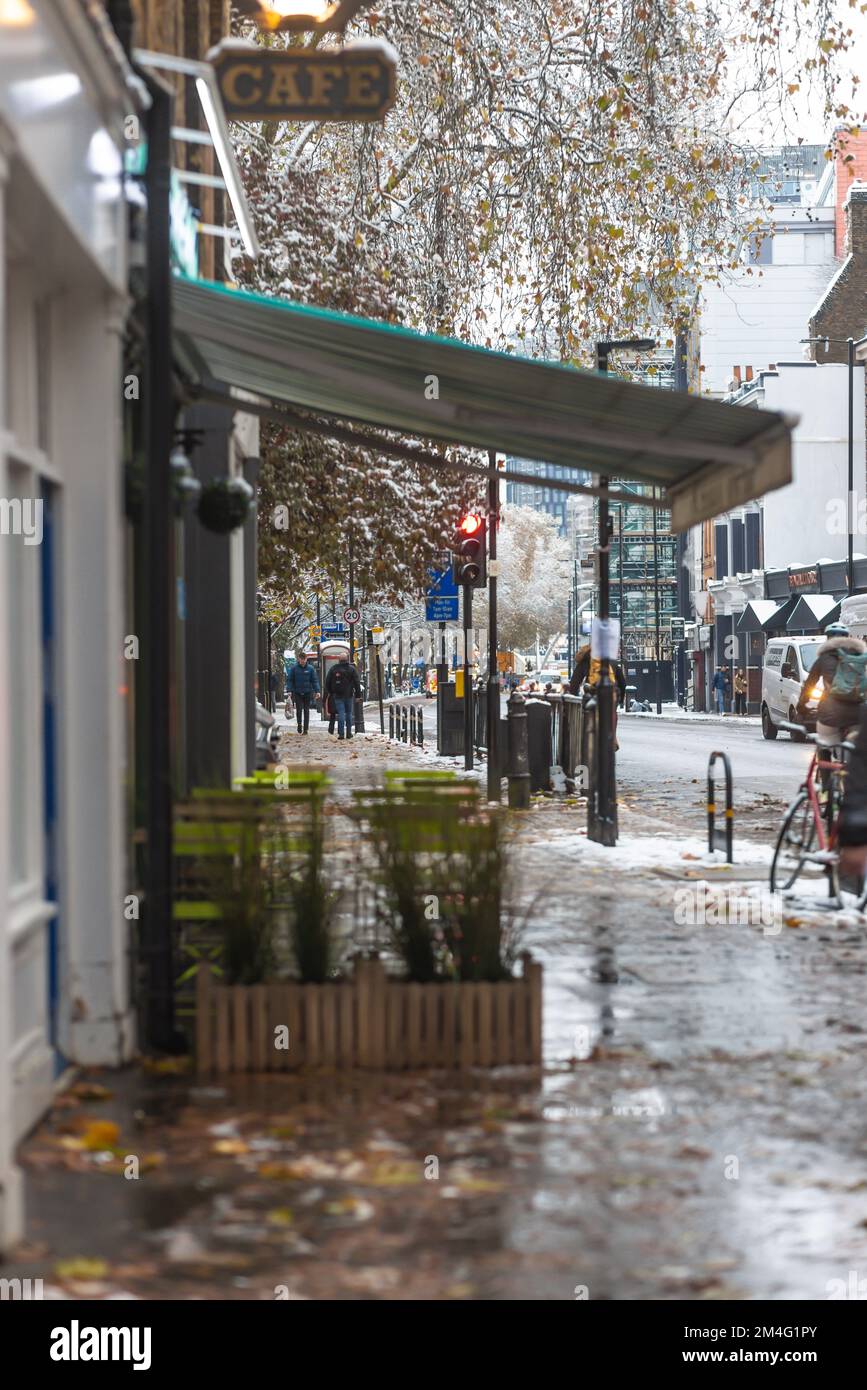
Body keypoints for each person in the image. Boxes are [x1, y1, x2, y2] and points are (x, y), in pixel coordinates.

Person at [796, 621, 867, 746]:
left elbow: (809, 685)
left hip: (830, 712)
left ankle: (825, 762)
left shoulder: (824, 658)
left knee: (826, 742)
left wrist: (801, 708)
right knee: (858, 748)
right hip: (858, 713)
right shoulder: (860, 658)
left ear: (828, 639)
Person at [325, 651, 362, 740]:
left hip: (337, 695)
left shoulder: (333, 669)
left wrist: (331, 692)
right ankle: (349, 733)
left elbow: (327, 682)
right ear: (347, 659)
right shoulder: (352, 669)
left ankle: (341, 734)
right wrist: (358, 695)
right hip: (349, 694)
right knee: (349, 713)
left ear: (339, 660)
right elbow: (357, 683)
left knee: (341, 713)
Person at [285, 650, 320, 734]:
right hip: (297, 692)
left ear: (306, 659)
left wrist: (317, 691)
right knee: (299, 710)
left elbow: (314, 680)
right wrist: (289, 690)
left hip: (308, 692)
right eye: (301, 660)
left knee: (306, 710)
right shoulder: (294, 668)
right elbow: (290, 680)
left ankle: (306, 729)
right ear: (298, 659)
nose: (303, 662)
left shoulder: (310, 668)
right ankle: (300, 725)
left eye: (304, 660)